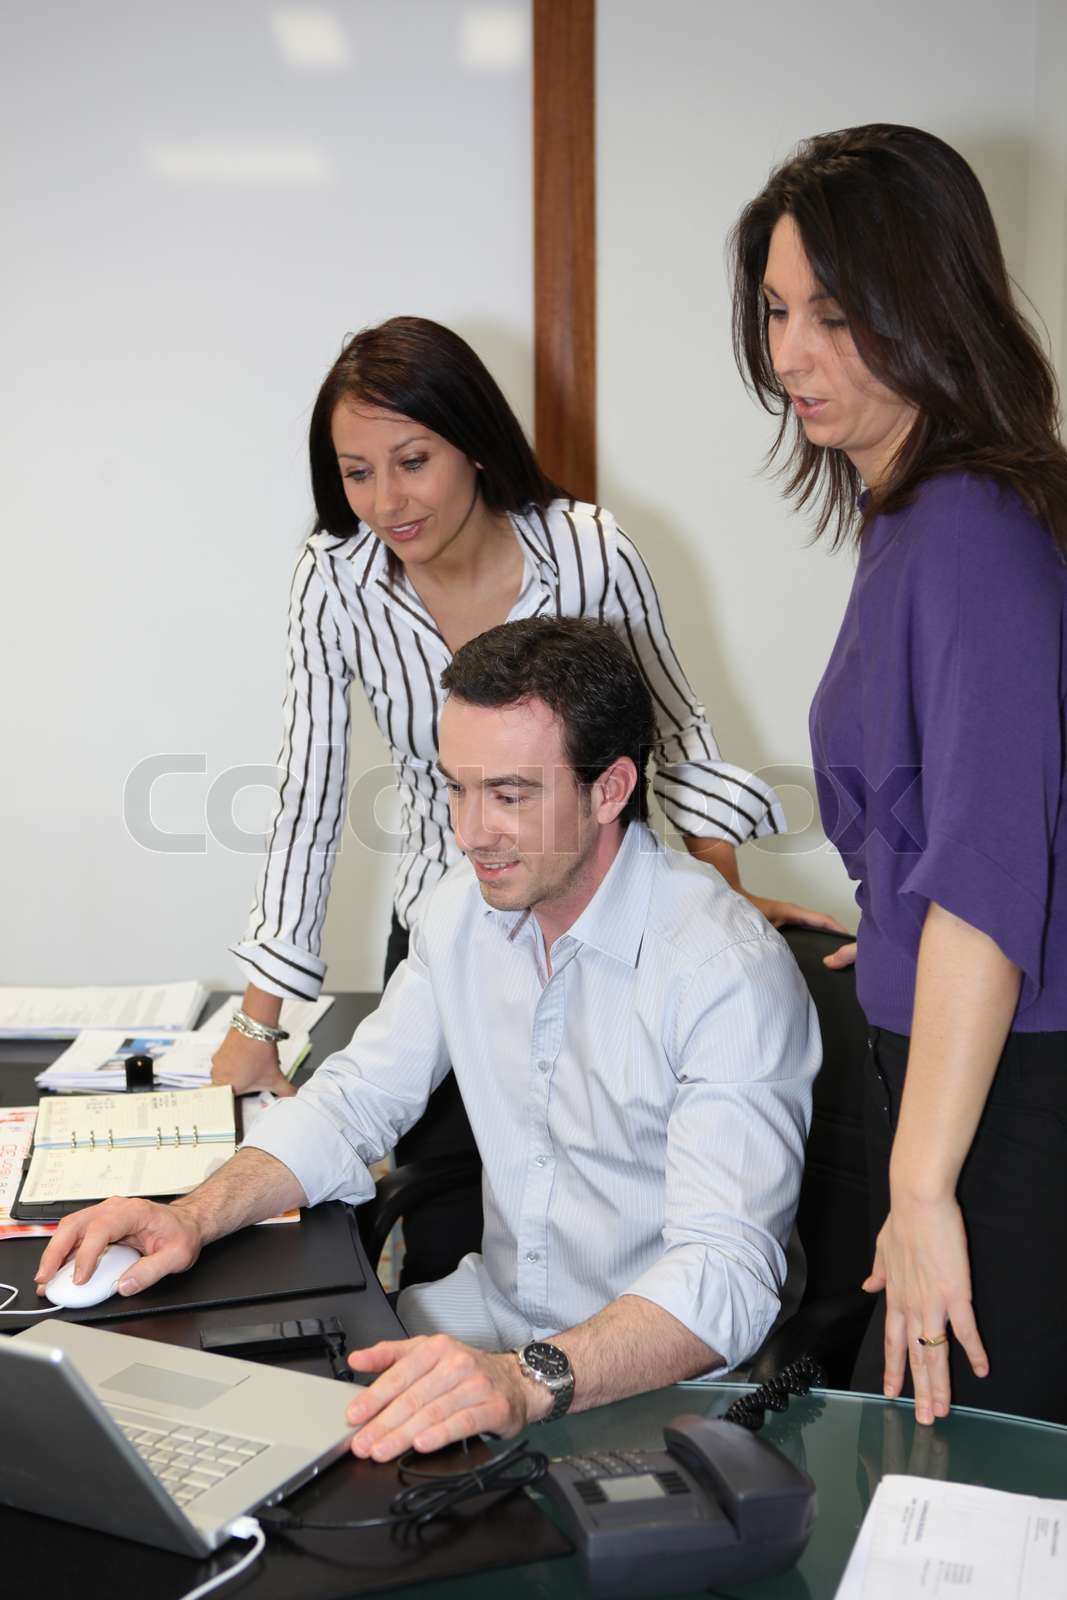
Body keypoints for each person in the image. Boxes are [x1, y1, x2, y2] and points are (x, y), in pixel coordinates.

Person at [37, 617, 819, 1460]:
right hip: (497, 1317)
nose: (471, 831)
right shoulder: (465, 911)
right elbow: (354, 1102)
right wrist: (189, 1215)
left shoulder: (723, 974)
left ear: (609, 789)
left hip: (645, 1377)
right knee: (238, 1412)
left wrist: (524, 1380)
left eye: (510, 795)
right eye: (457, 788)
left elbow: (725, 1280)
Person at [211, 314, 843, 1285]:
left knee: (602, 1218)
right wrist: (258, 1023)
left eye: (411, 460)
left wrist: (717, 891)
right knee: (447, 1230)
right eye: (355, 472)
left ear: (471, 440)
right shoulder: (335, 580)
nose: (386, 500)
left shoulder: (585, 551)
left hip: (592, 917)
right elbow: (306, 790)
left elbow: (670, 725)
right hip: (450, 924)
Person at [731, 123, 1067, 1425]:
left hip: (992, 1109)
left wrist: (921, 1189)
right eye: (772, 312)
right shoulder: (911, 514)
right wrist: (881, 938)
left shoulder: (970, 532)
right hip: (934, 1066)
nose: (787, 355)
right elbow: (930, 840)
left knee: (976, 1493)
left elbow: (983, 880)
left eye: (832, 313)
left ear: (925, 305)